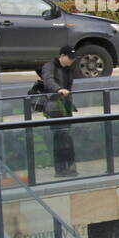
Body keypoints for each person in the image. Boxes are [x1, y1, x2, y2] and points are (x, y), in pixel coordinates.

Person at [41, 45, 78, 177]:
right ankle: (60, 169)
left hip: (66, 107)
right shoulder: (49, 66)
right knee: (59, 138)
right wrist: (58, 89)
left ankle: (70, 166)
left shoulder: (69, 69)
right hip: (54, 108)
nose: (72, 61)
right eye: (70, 58)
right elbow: (48, 80)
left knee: (67, 137)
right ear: (62, 56)